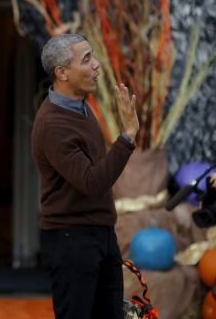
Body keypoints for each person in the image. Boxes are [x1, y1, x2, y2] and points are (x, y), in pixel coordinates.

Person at [31, 34, 139, 319]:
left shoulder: (81, 107)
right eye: (87, 59)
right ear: (62, 73)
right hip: (71, 240)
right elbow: (93, 183)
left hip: (99, 234)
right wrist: (127, 137)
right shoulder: (53, 124)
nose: (97, 65)